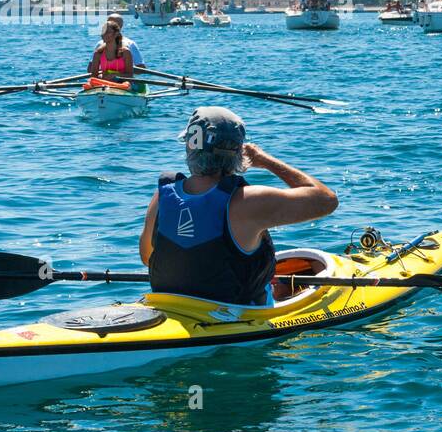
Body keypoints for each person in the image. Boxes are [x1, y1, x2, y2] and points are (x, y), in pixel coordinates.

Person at [140, 107, 338, 306]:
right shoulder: (247, 201)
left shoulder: (162, 197)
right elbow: (327, 200)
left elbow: (148, 258)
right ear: (238, 153)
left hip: (171, 309)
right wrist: (265, 160)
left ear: (191, 146)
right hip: (236, 318)